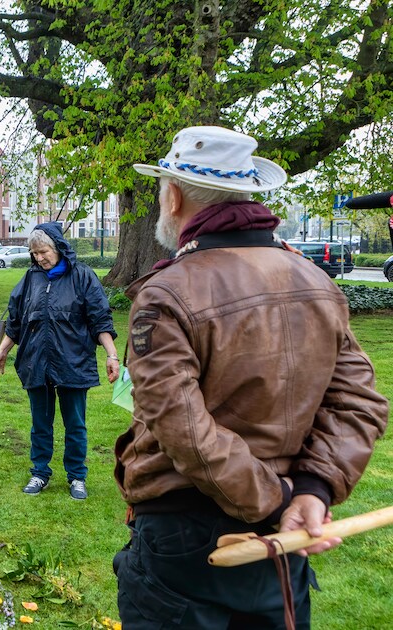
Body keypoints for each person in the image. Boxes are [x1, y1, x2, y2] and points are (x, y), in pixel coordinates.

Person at [114, 126, 388, 627]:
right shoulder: (315, 279)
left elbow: (184, 430)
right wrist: (309, 491)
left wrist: (290, 497)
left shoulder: (167, 292)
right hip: (281, 526)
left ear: (172, 196)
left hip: (190, 534)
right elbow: (360, 403)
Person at [0, 222, 119, 500]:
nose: (39, 258)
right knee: (40, 422)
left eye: (43, 251)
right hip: (36, 362)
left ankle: (77, 477)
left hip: (72, 362)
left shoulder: (82, 277)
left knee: (75, 423)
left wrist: (111, 355)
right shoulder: (30, 279)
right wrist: (2, 351)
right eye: (34, 253)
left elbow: (100, 320)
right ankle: (39, 472)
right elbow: (15, 322)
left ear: (58, 247)